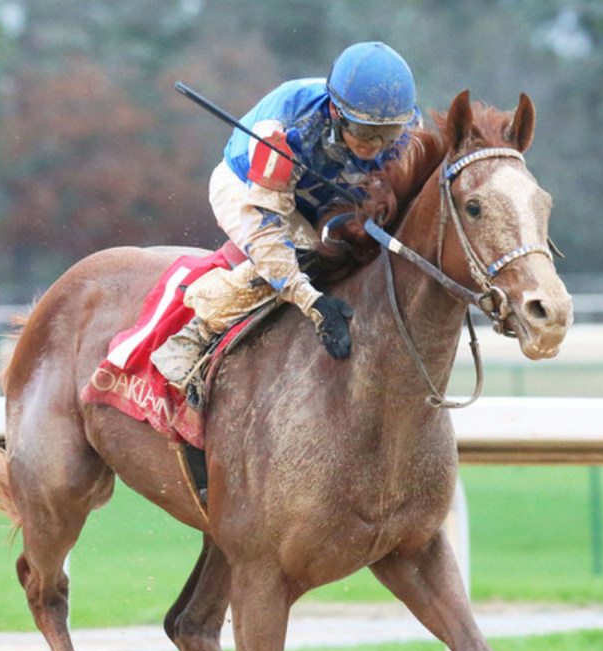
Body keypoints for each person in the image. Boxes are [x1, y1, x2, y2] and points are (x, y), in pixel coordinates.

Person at [151, 41, 420, 394]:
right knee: (306, 254)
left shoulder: (405, 128)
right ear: (337, 113)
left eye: (387, 134)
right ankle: (190, 338)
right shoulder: (286, 129)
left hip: (317, 197)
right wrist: (313, 302)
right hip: (248, 186)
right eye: (365, 132)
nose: (377, 145)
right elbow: (267, 234)